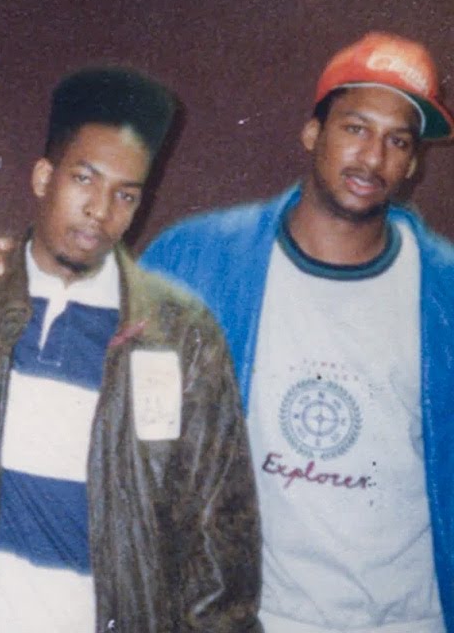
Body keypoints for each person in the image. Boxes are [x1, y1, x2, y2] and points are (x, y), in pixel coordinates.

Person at [0, 67, 262, 631]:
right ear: (43, 177)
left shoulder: (179, 336)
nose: (101, 210)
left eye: (124, 194)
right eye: (85, 178)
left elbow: (218, 535)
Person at [142, 32, 454, 632]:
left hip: (407, 619)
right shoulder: (198, 260)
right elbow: (93, 334)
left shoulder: (443, 292)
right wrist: (4, 263)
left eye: (397, 141)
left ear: (414, 163)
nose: (373, 158)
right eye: (355, 128)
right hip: (254, 616)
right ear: (313, 133)